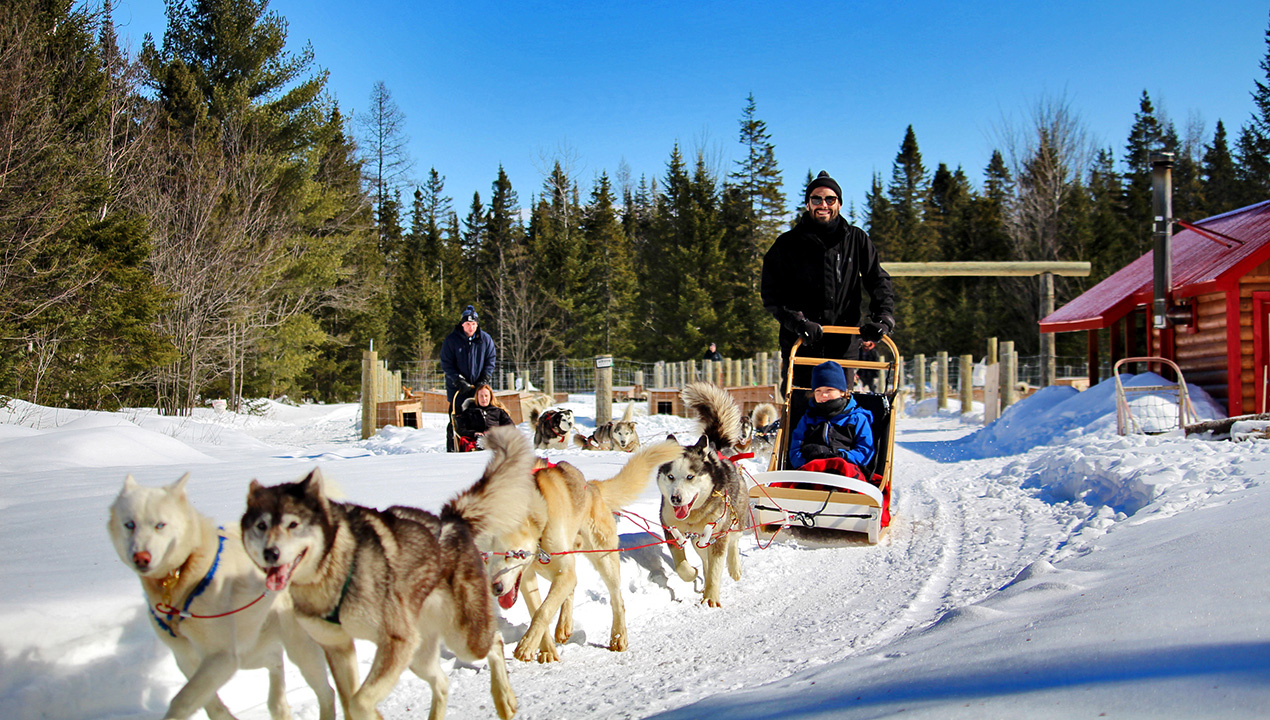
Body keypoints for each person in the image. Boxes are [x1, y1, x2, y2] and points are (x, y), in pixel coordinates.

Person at [760, 170, 896, 392]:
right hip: (801, 343)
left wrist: (883, 318)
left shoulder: (857, 240)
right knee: (800, 409)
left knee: (840, 407)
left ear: (839, 204)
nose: (823, 204)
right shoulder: (786, 245)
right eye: (816, 199)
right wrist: (797, 322)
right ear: (807, 204)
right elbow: (772, 293)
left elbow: (878, 280)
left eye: (830, 199)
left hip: (843, 344)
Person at [789, 361, 875, 478]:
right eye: (818, 391)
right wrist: (805, 462)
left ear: (842, 392)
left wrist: (841, 456)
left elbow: (865, 450)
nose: (823, 395)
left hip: (846, 470)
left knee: (841, 467)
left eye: (829, 390)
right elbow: (795, 449)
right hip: (811, 470)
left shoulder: (857, 418)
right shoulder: (808, 418)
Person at [440, 304, 497, 451]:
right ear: (462, 324)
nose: (470, 327)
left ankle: (479, 446)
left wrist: (484, 379)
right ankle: (454, 448)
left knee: (480, 416)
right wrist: (458, 380)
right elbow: (447, 363)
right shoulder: (452, 340)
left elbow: (490, 360)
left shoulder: (485, 339)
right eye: (467, 324)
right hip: (457, 387)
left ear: (477, 324)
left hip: (478, 386)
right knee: (457, 418)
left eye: (473, 324)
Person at [453, 384, 514, 450]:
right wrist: (474, 433)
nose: (484, 399)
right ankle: (481, 444)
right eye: (481, 396)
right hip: (475, 439)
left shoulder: (498, 411)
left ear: (490, 397)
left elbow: (510, 426)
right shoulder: (469, 412)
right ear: (477, 397)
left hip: (495, 437)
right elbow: (461, 429)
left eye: (486, 396)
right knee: (465, 440)